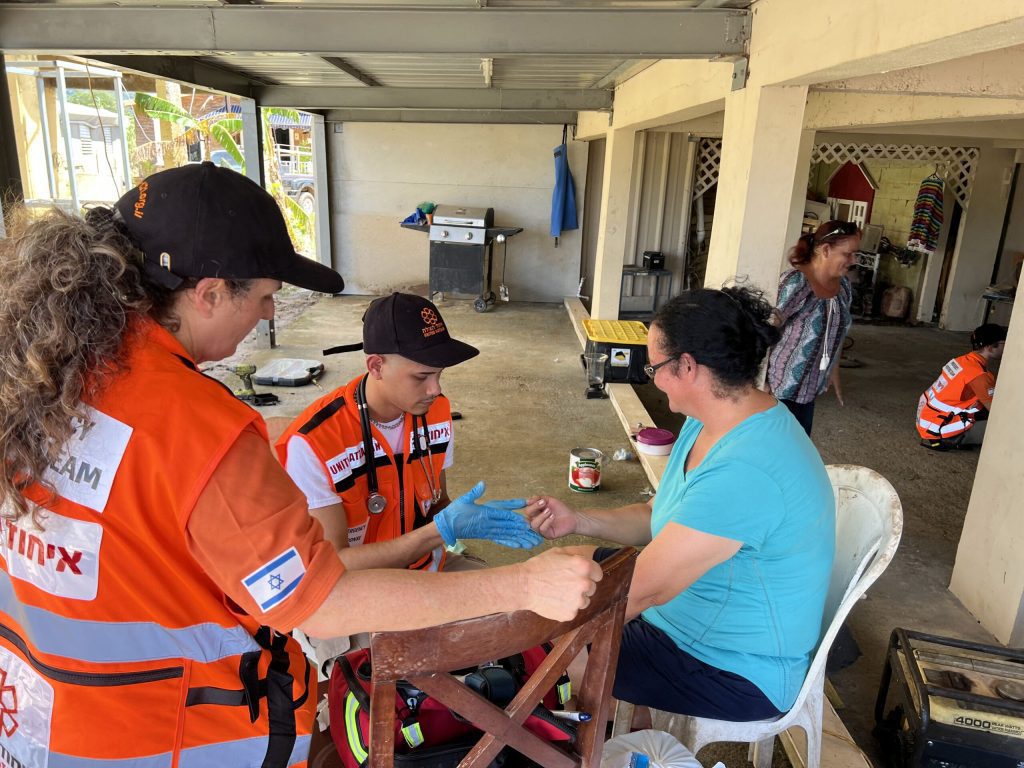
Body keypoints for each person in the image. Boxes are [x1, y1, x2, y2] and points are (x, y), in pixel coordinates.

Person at [0, 162, 601, 768]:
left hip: (41, 719)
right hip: (173, 735)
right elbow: (318, 598)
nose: (268, 315)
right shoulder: (199, 427)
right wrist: (522, 583)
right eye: (265, 297)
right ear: (209, 292)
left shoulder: (46, 375)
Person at [527, 287, 835, 721]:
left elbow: (644, 589)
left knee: (553, 645)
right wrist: (578, 519)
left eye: (654, 366)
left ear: (687, 366)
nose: (651, 377)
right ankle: (624, 724)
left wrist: (533, 625)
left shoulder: (747, 467)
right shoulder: (707, 422)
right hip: (691, 618)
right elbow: (659, 515)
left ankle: (597, 738)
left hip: (735, 667)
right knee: (570, 564)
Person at [276, 292, 539, 574]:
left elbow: (436, 502)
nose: (435, 390)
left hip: (427, 567)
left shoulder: (435, 412)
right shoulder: (314, 442)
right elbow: (334, 564)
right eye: (421, 377)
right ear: (376, 366)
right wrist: (440, 531)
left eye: (439, 374)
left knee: (515, 596)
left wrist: (469, 518)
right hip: (358, 590)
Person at [767, 220, 860, 435]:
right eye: (848, 254)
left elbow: (836, 331)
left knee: (797, 453)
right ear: (826, 250)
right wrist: (759, 383)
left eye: (856, 254)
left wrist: (833, 370)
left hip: (809, 391)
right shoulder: (795, 283)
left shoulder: (843, 287)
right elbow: (763, 332)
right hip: (777, 391)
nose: (853, 260)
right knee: (775, 454)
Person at [916, 322, 1007, 450]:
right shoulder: (979, 375)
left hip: (929, 419)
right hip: (939, 430)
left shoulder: (962, 361)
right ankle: (954, 438)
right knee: (1007, 428)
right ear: (991, 348)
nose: (1007, 348)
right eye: (1004, 344)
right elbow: (997, 411)